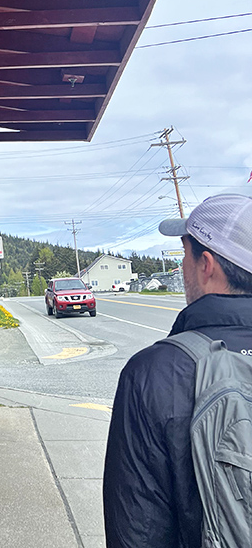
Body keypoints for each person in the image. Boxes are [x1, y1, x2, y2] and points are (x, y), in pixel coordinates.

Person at [103, 193, 252, 548]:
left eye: (185, 254)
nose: (182, 266)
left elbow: (138, 533)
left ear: (206, 264)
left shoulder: (153, 374)